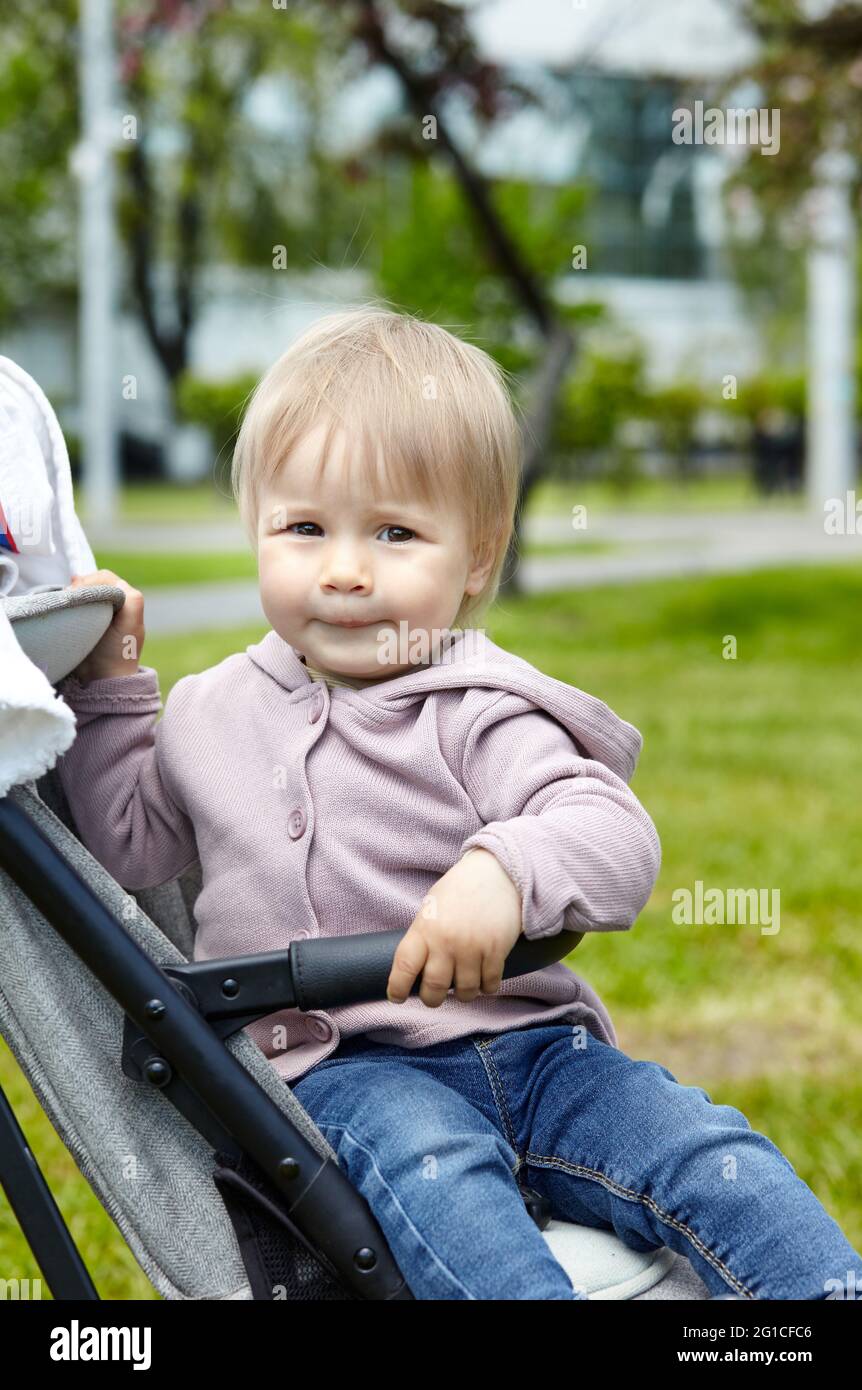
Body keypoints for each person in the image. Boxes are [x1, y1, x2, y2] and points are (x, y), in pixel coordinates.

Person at [56, 305, 861, 1301]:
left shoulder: (475, 704)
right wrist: (112, 688)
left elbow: (612, 833)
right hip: (347, 1072)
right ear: (255, 527)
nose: (345, 569)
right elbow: (125, 846)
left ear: (476, 557)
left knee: (701, 1151)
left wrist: (504, 868)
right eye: (304, 528)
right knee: (444, 1187)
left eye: (394, 532)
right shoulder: (207, 712)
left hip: (540, 1049)